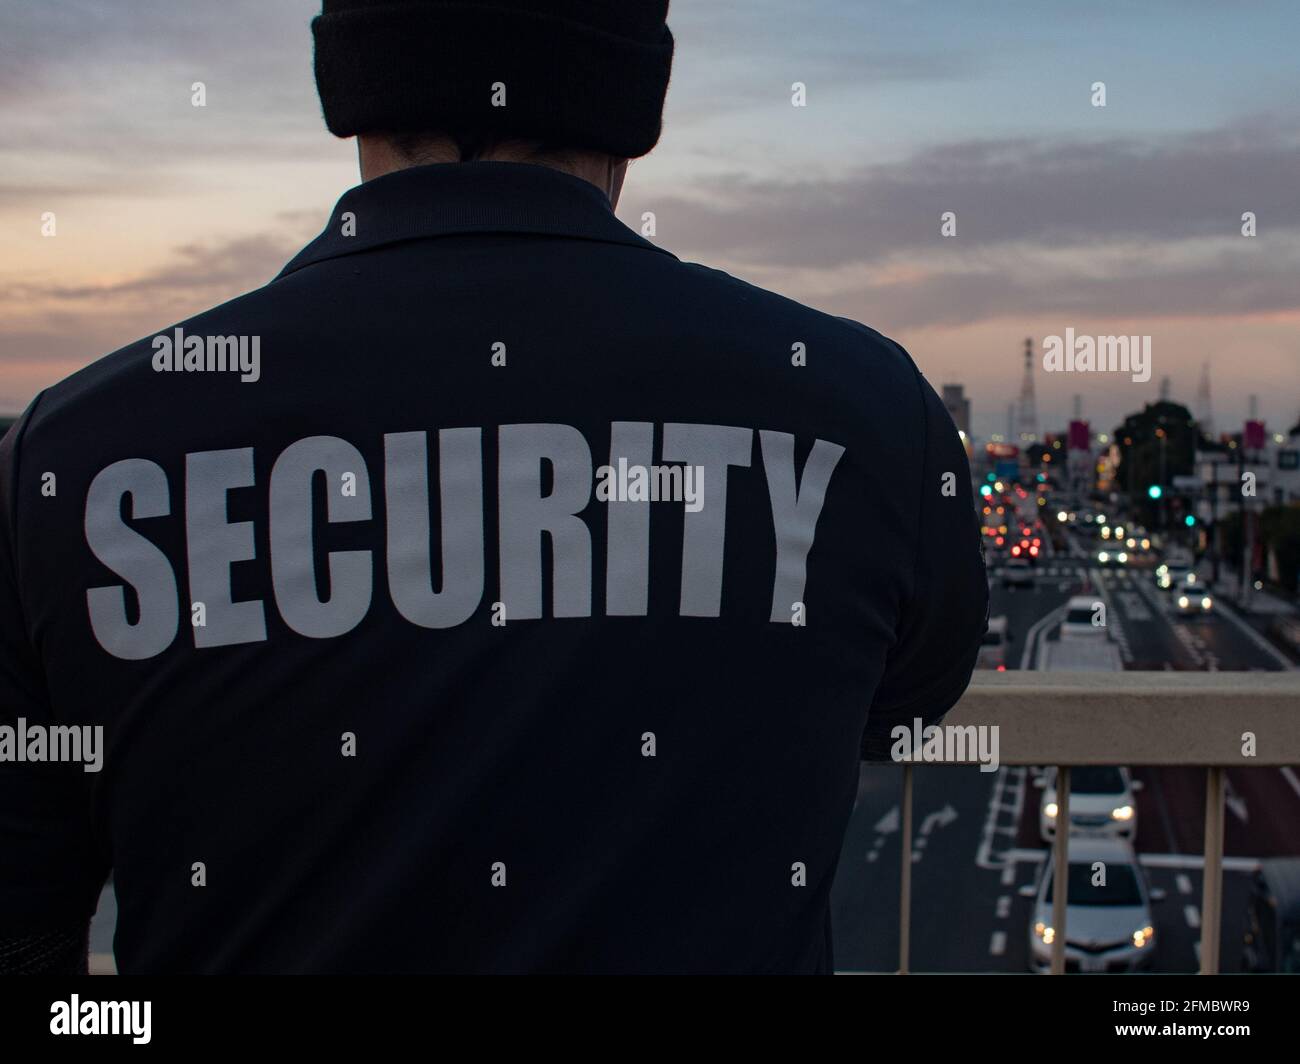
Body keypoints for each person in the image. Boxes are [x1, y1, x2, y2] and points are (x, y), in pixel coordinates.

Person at [0, 0, 987, 974]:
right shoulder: (859, 405)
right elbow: (896, 706)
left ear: (345, 90)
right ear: (634, 107)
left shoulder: (80, 447)